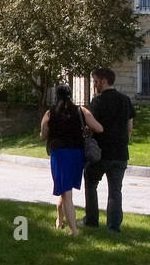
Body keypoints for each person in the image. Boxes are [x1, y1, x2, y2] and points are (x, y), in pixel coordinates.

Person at [40, 82, 103, 236]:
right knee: (65, 190)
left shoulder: (50, 113)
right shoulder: (81, 111)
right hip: (77, 154)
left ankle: (73, 230)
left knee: (65, 192)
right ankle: (59, 221)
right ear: (71, 95)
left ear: (56, 95)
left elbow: (43, 135)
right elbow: (99, 128)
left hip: (59, 154)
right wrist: (86, 130)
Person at [83, 67, 136, 233]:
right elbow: (129, 127)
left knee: (91, 182)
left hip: (101, 153)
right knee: (115, 190)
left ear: (104, 81)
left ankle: (91, 220)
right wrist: (123, 142)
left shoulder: (97, 102)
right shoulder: (125, 100)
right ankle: (113, 227)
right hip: (120, 153)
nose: (94, 85)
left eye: (96, 81)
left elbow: (90, 126)